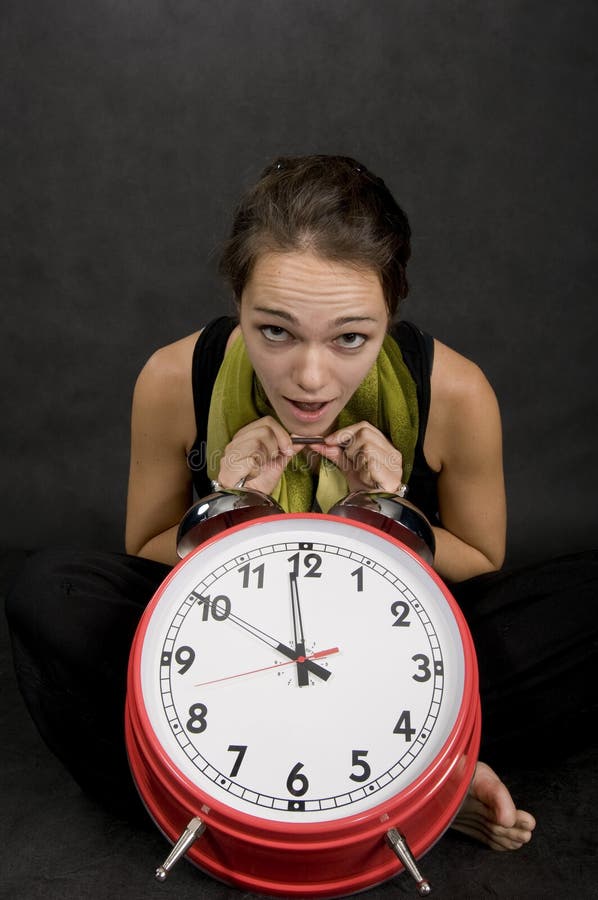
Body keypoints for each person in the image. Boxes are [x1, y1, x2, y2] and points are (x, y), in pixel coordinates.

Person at [7, 155, 596, 859]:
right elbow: (147, 547)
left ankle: (379, 784)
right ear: (238, 303)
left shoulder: (457, 393)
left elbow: (482, 559)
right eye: (276, 331)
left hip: (389, 649)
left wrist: (379, 513)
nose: (311, 378)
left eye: (351, 337)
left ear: (391, 313)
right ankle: (419, 787)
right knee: (54, 592)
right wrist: (234, 509)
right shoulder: (173, 379)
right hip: (238, 649)